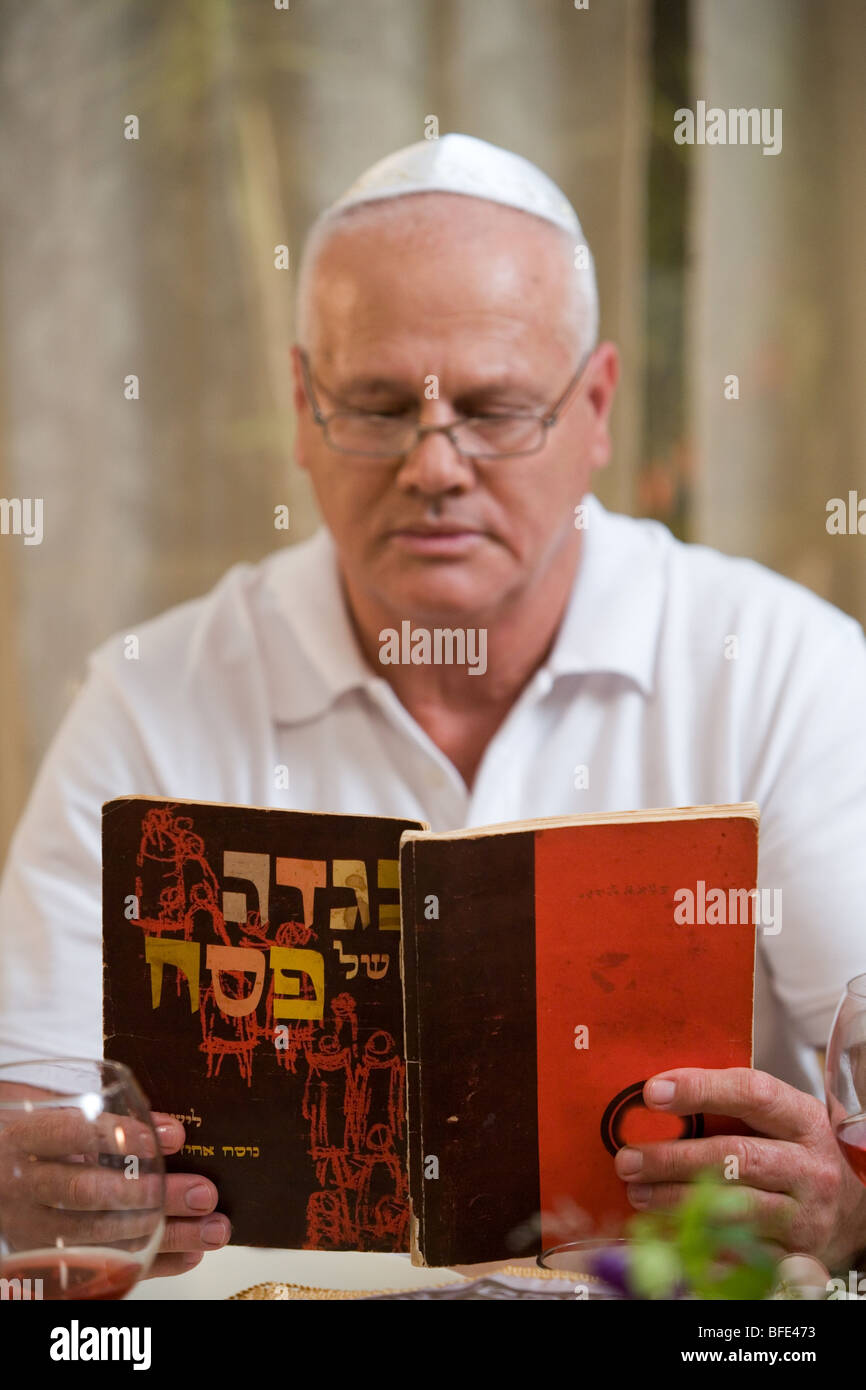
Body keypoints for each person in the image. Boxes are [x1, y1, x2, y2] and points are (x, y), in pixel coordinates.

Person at [2, 134, 866, 1279]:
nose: (435, 465)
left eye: (494, 407)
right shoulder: (149, 696)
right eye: (375, 406)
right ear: (303, 409)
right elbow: (33, 1087)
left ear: (595, 404)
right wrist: (41, 1185)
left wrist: (844, 1205)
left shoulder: (782, 667)